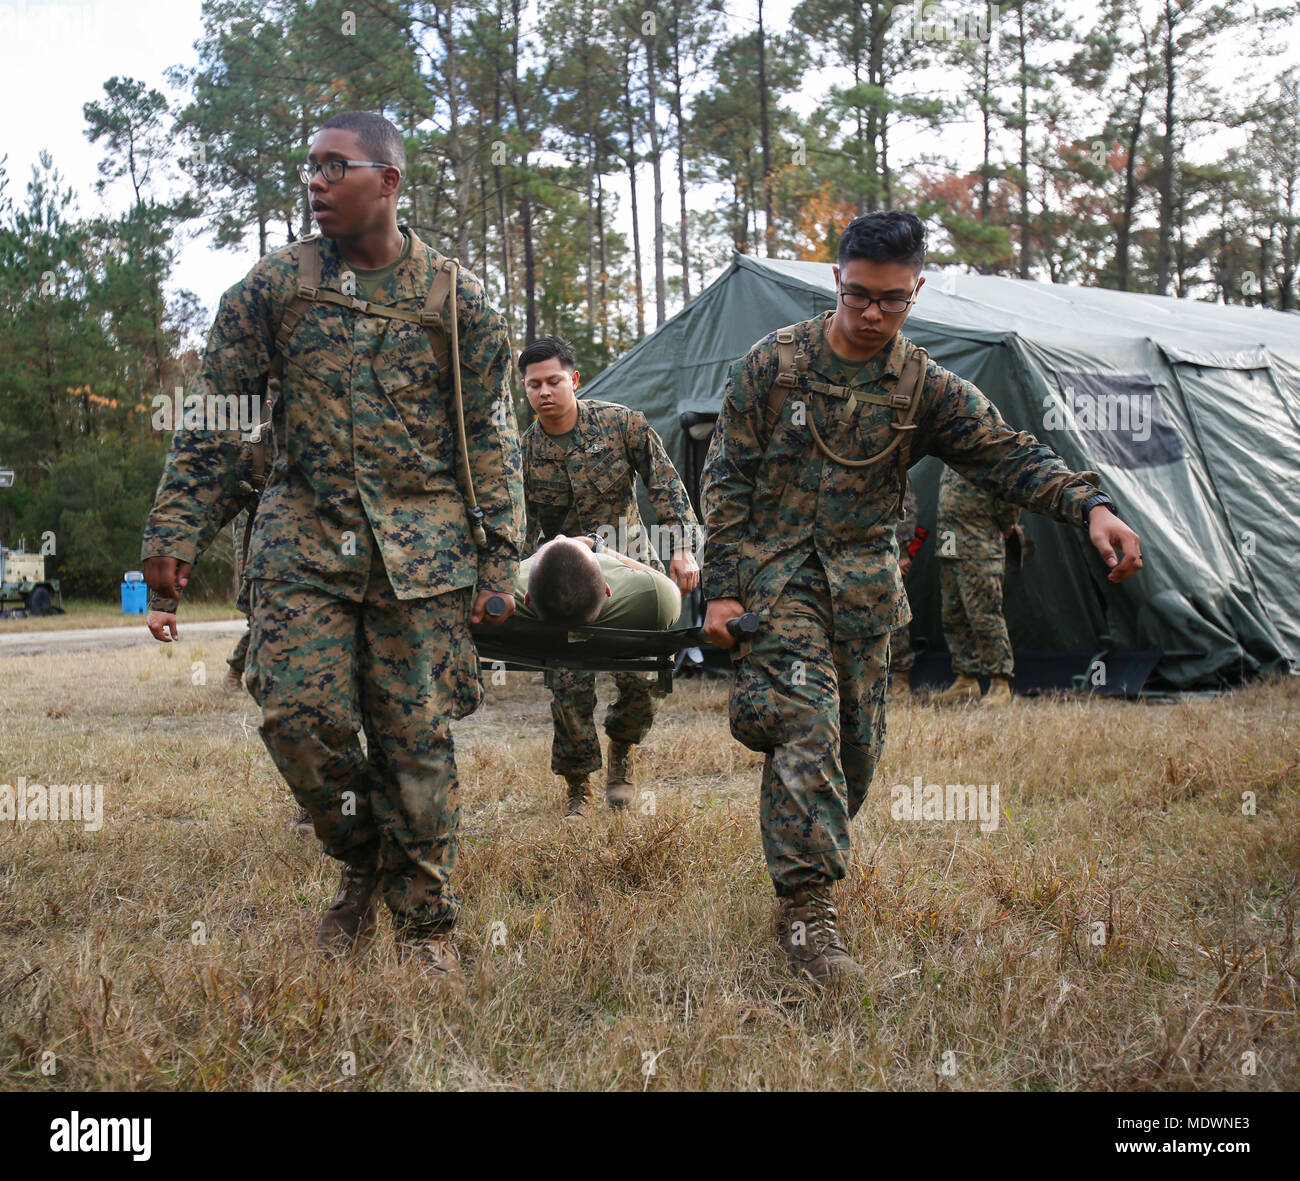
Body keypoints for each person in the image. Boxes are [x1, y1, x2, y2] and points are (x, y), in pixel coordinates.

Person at [700, 210, 1142, 985]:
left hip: (866, 596)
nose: (874, 314)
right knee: (807, 726)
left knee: (854, 759)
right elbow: (727, 477)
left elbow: (1007, 455)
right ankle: (809, 915)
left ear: (917, 290)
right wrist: (723, 592)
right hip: (779, 585)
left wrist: (1091, 506)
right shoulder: (773, 365)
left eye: (893, 300)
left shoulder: (923, 387)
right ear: (837, 280)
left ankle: (799, 816)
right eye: (860, 295)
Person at [141, 110, 524, 982]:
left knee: (415, 737)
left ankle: (426, 929)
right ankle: (366, 853)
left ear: (387, 181)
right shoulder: (272, 288)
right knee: (298, 718)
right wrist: (173, 533)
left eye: (334, 166)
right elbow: (217, 418)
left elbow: (490, 440)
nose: (314, 181)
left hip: (421, 552)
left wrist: (498, 559)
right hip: (303, 538)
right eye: (308, 165)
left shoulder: (458, 301)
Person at [519, 335, 700, 815]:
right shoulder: (525, 451)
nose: (545, 392)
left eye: (554, 381)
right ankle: (577, 786)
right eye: (534, 385)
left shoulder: (623, 424)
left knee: (642, 679)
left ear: (573, 380)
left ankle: (622, 754)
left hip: (632, 567)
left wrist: (682, 549)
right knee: (567, 682)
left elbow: (667, 486)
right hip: (565, 578)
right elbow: (522, 526)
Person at [934, 465, 1021, 706]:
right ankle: (966, 679)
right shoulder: (949, 457)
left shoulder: (989, 454)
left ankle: (1000, 682)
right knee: (953, 616)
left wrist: (1007, 524)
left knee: (985, 616)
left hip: (980, 548)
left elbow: (1008, 496)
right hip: (949, 548)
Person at [887, 482, 927, 700]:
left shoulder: (891, 458)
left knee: (894, 612)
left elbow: (905, 508)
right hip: (855, 552)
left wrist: (903, 553)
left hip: (889, 551)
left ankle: (900, 677)